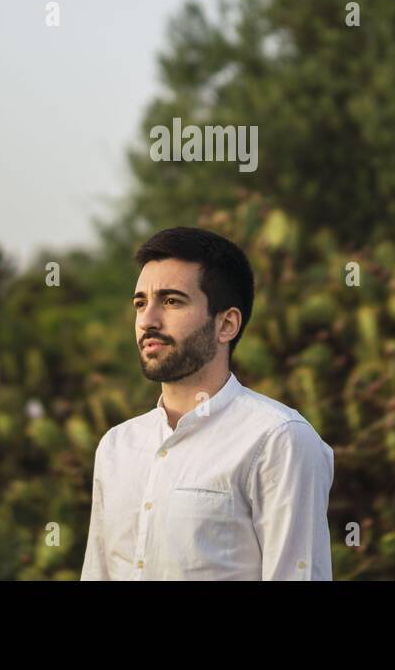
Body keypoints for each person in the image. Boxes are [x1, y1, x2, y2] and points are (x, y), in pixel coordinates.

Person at [80, 226, 334, 580]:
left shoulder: (278, 440)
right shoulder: (116, 447)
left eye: (171, 301)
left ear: (226, 324)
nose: (148, 321)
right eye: (141, 303)